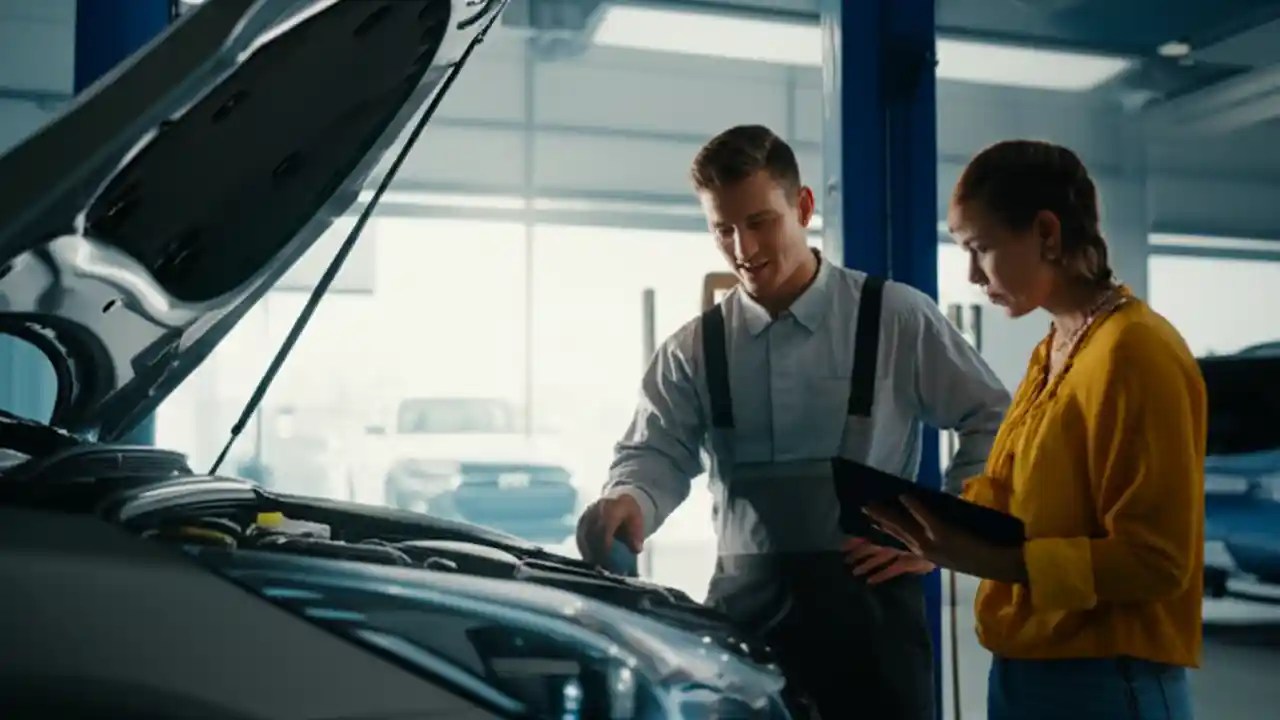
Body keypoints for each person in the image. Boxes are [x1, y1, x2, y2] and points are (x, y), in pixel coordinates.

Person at [575, 124, 1012, 719]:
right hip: (742, 631)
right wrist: (628, 500)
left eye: (760, 223)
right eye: (722, 229)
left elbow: (994, 419)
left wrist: (948, 531)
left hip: (874, 634)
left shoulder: (894, 319)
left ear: (803, 207)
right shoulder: (694, 350)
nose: (743, 248)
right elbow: (655, 453)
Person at [866, 139, 1205, 720]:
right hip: (1030, 672)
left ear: (1047, 233)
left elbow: (1157, 561)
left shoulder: (1137, 353)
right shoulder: (1055, 349)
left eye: (982, 248)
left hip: (1105, 684)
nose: (972, 274)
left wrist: (993, 559)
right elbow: (1024, 501)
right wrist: (931, 531)